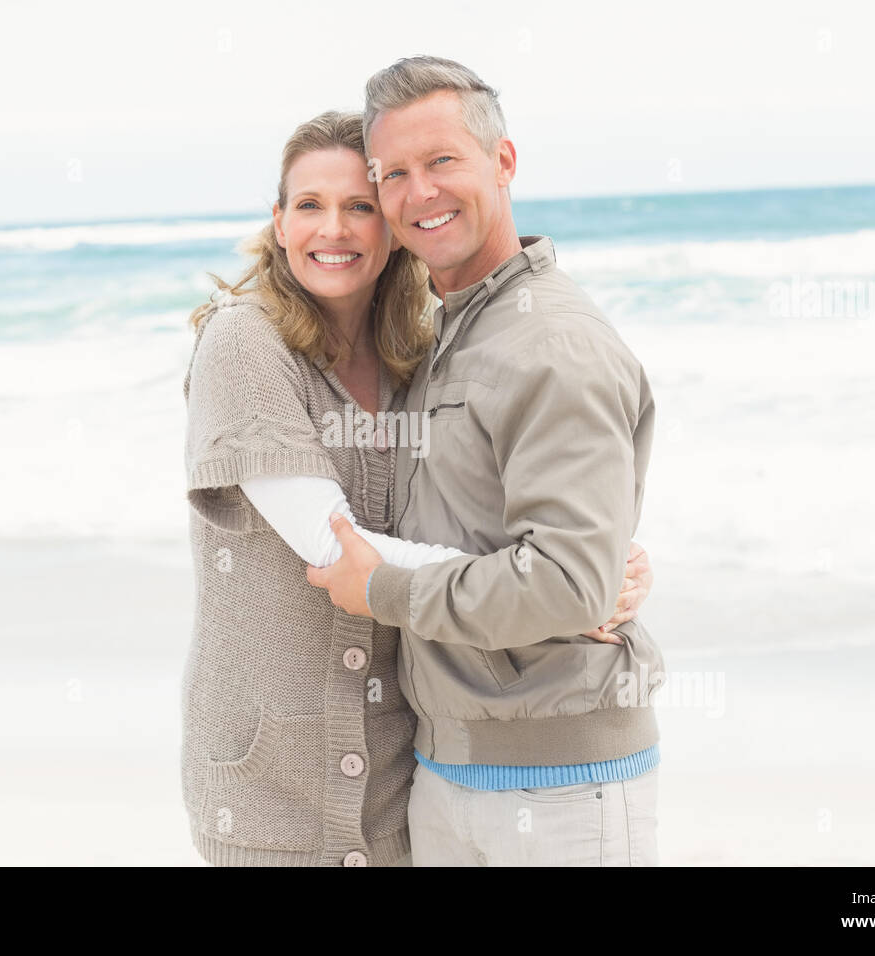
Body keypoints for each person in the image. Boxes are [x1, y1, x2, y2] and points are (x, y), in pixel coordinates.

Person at [181, 110, 653, 866]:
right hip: (276, 794)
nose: (333, 229)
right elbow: (337, 547)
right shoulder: (245, 343)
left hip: (406, 783)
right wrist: (557, 593)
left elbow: (486, 514)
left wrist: (596, 566)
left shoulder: (420, 355)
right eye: (309, 206)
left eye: (359, 206)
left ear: (392, 227)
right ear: (277, 222)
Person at [307, 57, 667, 866]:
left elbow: (568, 582)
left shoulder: (551, 343)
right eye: (392, 173)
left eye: (441, 161)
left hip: (562, 789)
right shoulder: (450, 330)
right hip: (455, 772)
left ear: (502, 163)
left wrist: (383, 592)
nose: (418, 193)